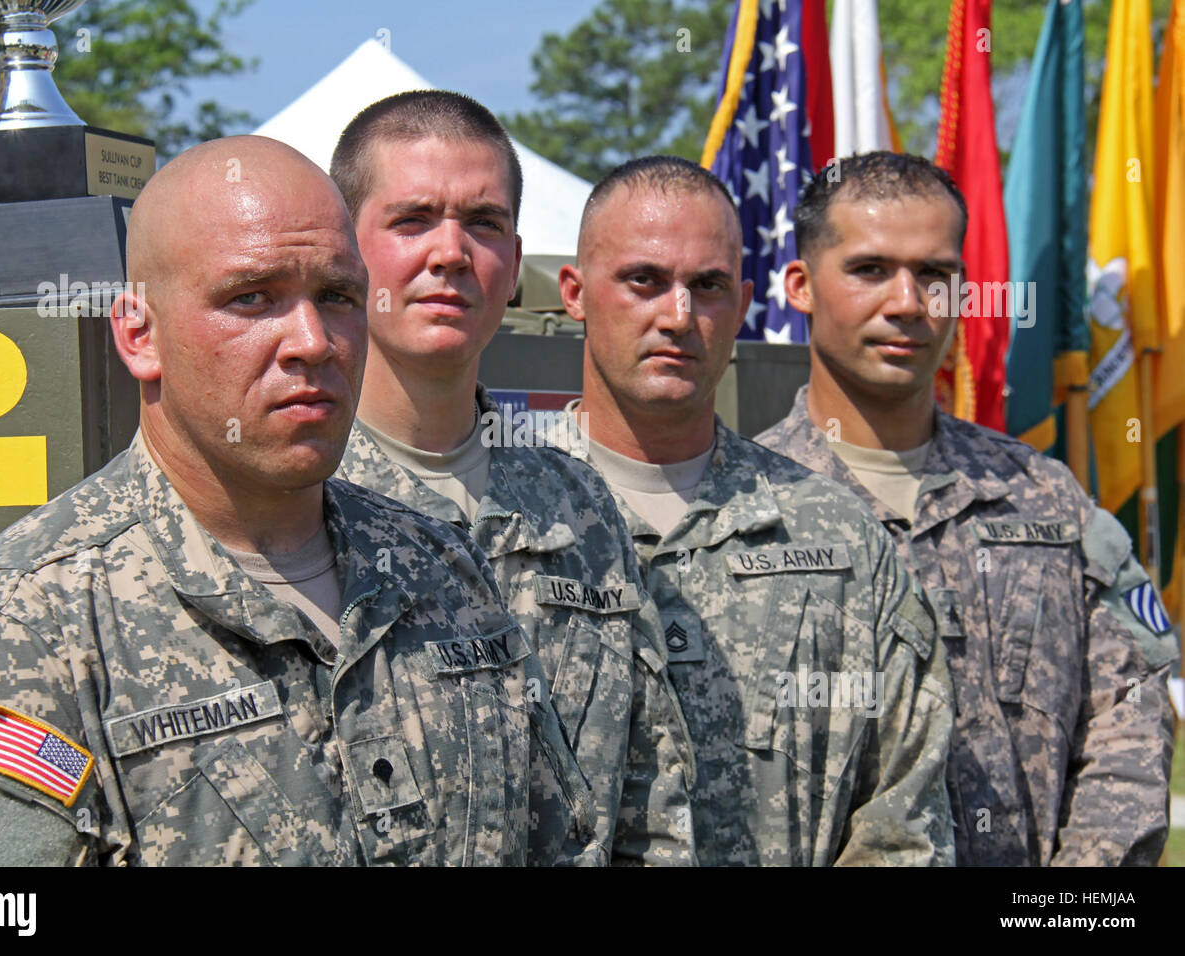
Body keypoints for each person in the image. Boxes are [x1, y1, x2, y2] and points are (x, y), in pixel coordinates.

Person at [0, 135, 601, 866]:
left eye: (338, 296)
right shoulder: (22, 632)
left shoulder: (444, 568)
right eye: (251, 297)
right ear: (139, 332)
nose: (313, 341)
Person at [756, 150, 1179, 866]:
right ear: (800, 285)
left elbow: (1130, 705)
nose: (907, 303)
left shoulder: (1043, 494)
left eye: (935, 275)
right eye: (869, 270)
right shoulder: (742, 512)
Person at [542, 154, 956, 865]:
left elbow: (903, 824)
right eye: (644, 281)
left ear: (741, 301)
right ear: (575, 293)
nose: (678, 316)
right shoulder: (494, 529)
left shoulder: (839, 540)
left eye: (706, 287)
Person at [329, 91, 695, 864]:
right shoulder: (297, 503)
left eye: (484, 223)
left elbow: (651, 800)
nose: (452, 253)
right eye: (413, 219)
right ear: (344, 248)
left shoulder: (578, 504)